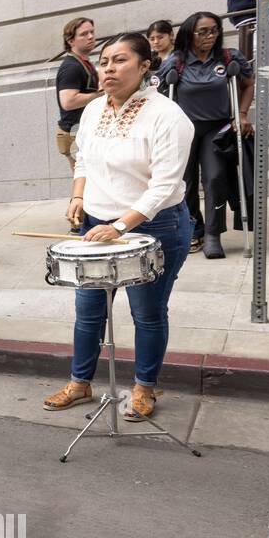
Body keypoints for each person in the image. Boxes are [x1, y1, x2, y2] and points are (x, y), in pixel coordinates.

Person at [44, 33, 194, 422]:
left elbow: (164, 186)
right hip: (95, 224)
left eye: (120, 60)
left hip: (154, 225)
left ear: (145, 66)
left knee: (147, 312)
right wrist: (78, 196)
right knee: (89, 309)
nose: (108, 68)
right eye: (105, 60)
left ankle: (144, 387)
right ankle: (80, 382)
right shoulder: (93, 109)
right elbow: (83, 160)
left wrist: (121, 225)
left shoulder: (167, 115)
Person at [157, 12, 254, 258]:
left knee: (214, 179)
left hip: (216, 129)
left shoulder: (229, 58)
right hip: (183, 130)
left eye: (214, 30)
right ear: (190, 34)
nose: (210, 36)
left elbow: (249, 83)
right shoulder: (176, 61)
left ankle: (212, 234)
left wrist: (241, 114)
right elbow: (156, 91)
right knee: (185, 182)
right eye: (203, 31)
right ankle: (193, 230)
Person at [55, 17, 100, 175]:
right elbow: (68, 101)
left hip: (83, 131)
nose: (90, 37)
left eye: (92, 32)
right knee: (84, 183)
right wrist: (100, 95)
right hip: (76, 132)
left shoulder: (83, 62)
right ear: (70, 40)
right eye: (84, 34)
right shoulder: (71, 67)